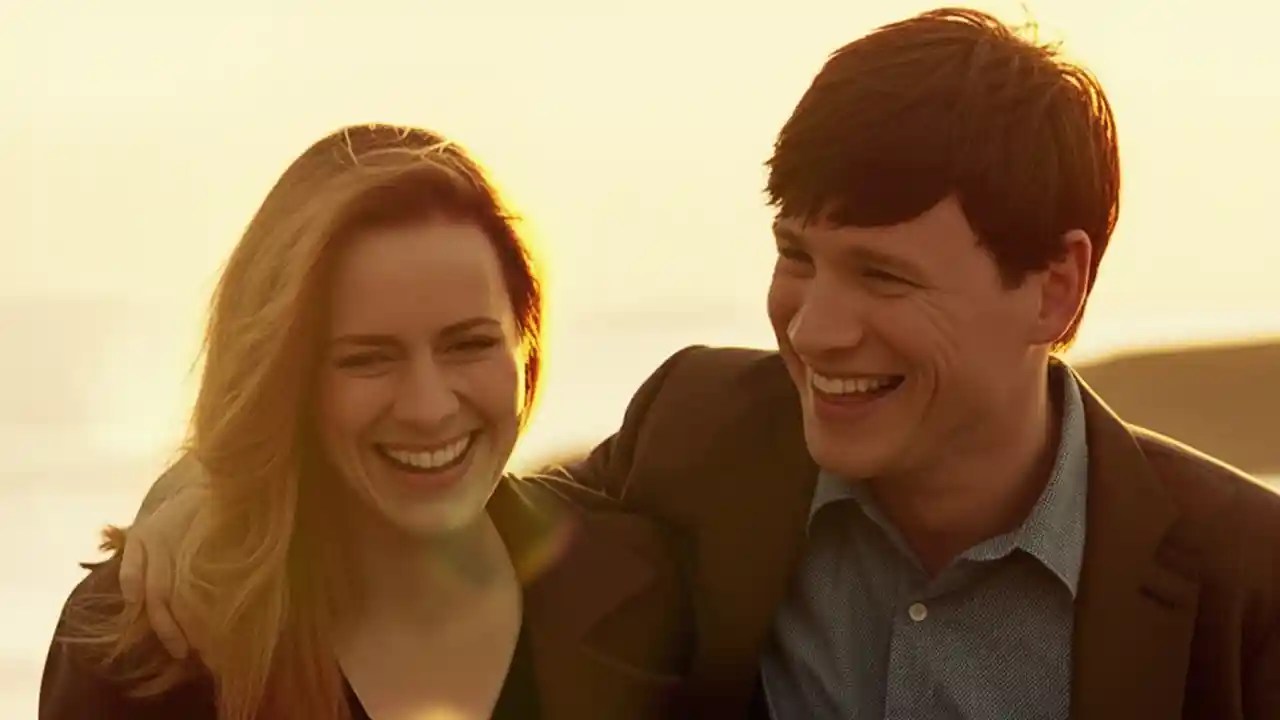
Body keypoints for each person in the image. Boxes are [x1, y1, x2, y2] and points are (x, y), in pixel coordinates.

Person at [109, 8, 1280, 720]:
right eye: (795, 257)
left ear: (1055, 287)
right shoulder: (707, 434)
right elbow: (445, 499)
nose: (814, 328)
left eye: (881, 278)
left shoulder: (1243, 586)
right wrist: (208, 486)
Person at [39, 124, 691, 720]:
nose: (430, 407)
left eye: (468, 344)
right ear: (283, 379)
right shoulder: (141, 652)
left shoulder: (641, 597)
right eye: (368, 359)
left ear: (527, 346)